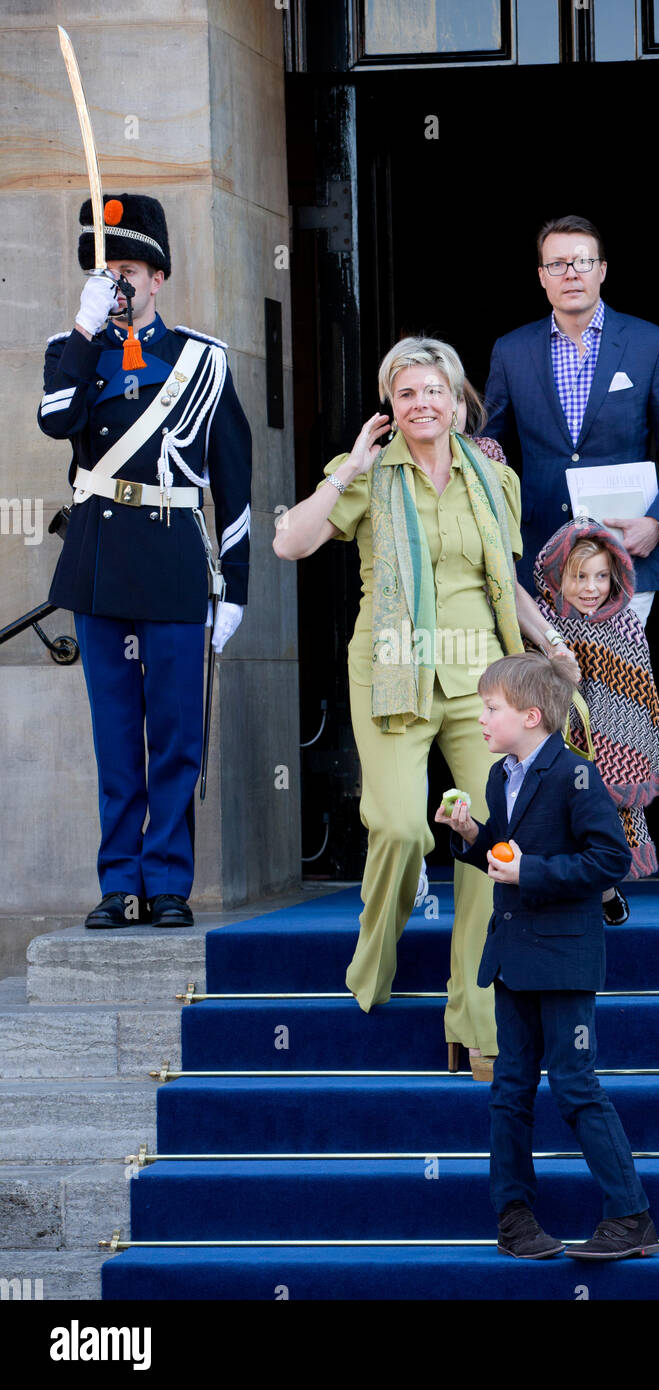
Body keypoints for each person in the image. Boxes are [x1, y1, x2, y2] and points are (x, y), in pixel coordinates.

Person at [274, 337, 566, 1078]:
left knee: (490, 844)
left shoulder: (494, 479)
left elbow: (504, 580)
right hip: (392, 672)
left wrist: (552, 642)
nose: (421, 404)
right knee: (402, 827)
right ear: (390, 407)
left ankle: (473, 1018)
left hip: (482, 681)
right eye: (406, 394)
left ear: (459, 398)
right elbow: (289, 543)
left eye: (433, 390)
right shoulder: (367, 476)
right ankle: (375, 955)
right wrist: (348, 470)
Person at [38, 194, 252, 930]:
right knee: (114, 736)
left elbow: (234, 480)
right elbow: (55, 421)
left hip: (171, 559)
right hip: (100, 562)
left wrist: (237, 589)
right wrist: (84, 329)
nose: (120, 285)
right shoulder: (72, 351)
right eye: (108, 274)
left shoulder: (202, 361)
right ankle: (117, 882)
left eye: (130, 272)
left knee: (175, 737)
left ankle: (166, 882)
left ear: (158, 277)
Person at [436, 653, 659, 1260]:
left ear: (531, 716)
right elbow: (504, 856)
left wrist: (526, 870)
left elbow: (610, 860)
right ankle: (514, 1219)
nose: (480, 718)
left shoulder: (576, 775)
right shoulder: (497, 777)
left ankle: (631, 1216)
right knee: (510, 1088)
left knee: (574, 1084)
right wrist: (473, 839)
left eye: (491, 708)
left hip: (563, 960)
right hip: (513, 958)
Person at [483, 214, 659, 622]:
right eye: (557, 265)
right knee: (550, 684)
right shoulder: (511, 351)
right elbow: (488, 448)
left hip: (625, 554)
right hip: (540, 556)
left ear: (602, 270)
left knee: (617, 684)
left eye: (582, 262)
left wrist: (658, 521)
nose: (570, 274)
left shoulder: (650, 345)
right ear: (541, 276)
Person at [532, 519, 659, 922]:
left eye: (602, 576)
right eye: (579, 576)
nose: (591, 587)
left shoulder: (625, 626)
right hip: (552, 740)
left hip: (606, 746)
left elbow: (639, 700)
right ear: (554, 574)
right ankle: (557, 891)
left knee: (597, 818)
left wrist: (615, 749)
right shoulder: (538, 624)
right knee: (551, 816)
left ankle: (603, 888)